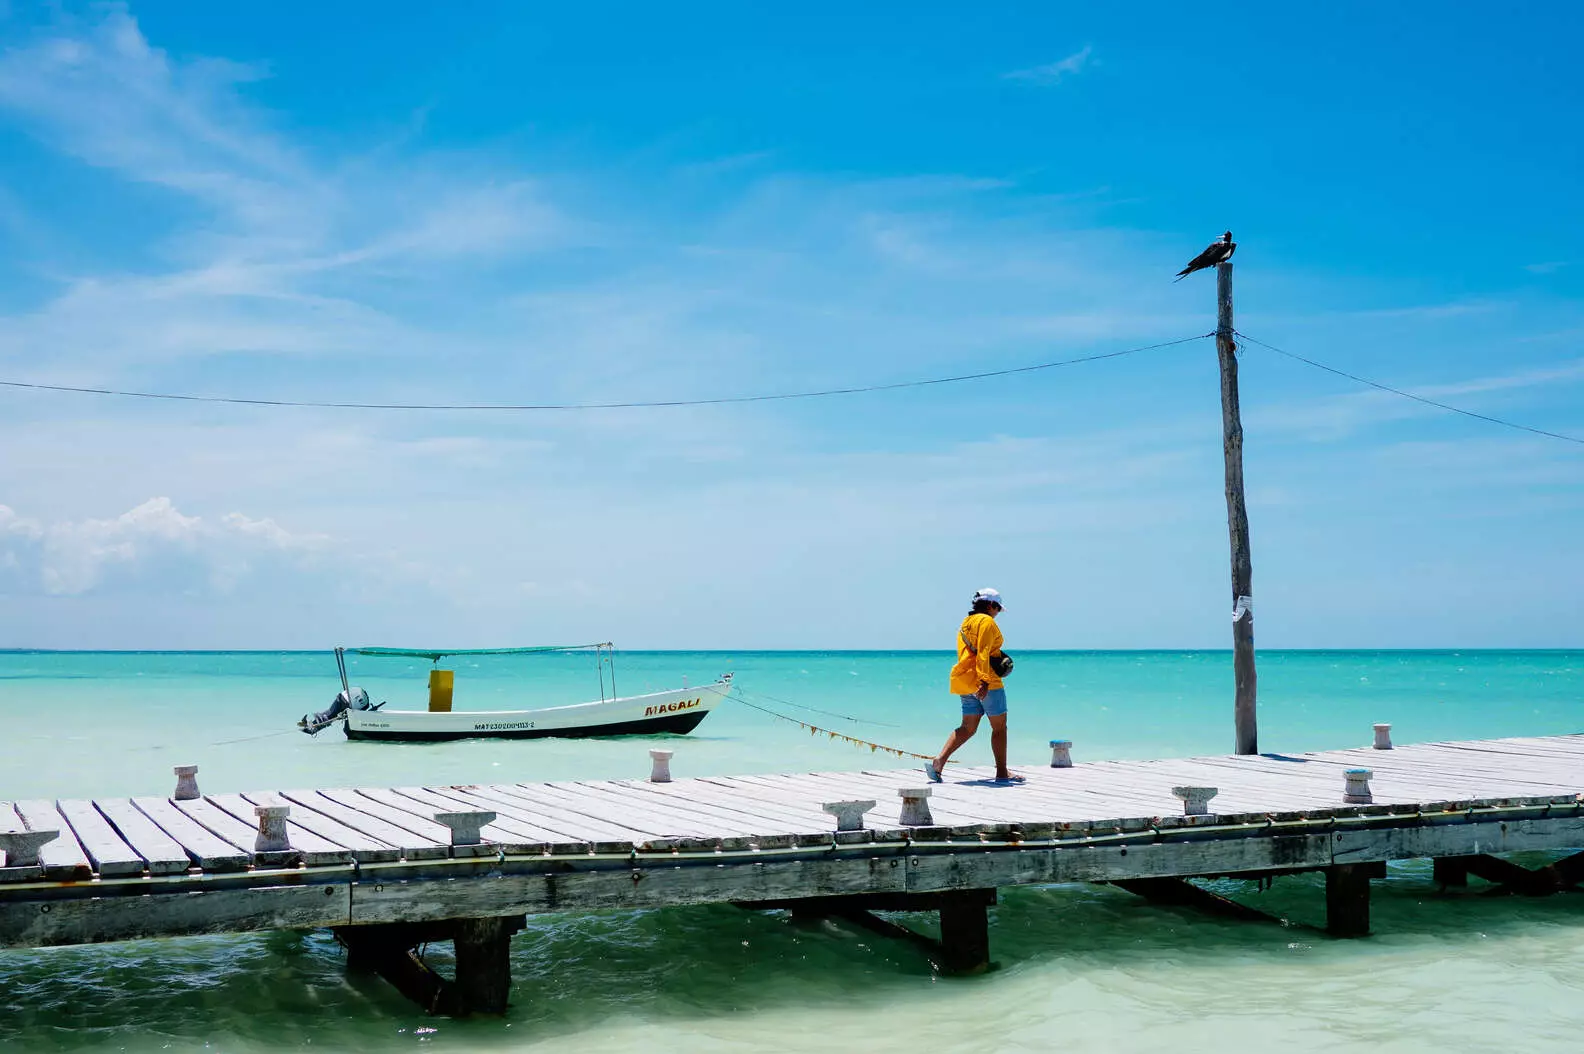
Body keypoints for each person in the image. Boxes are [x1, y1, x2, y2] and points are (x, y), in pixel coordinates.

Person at [926, 588, 1023, 784]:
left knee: (968, 728)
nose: (997, 613)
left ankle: (939, 762)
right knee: (999, 728)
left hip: (965, 680)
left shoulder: (966, 622)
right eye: (997, 608)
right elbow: (983, 653)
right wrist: (985, 682)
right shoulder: (987, 622)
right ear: (990, 605)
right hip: (985, 682)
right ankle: (1002, 773)